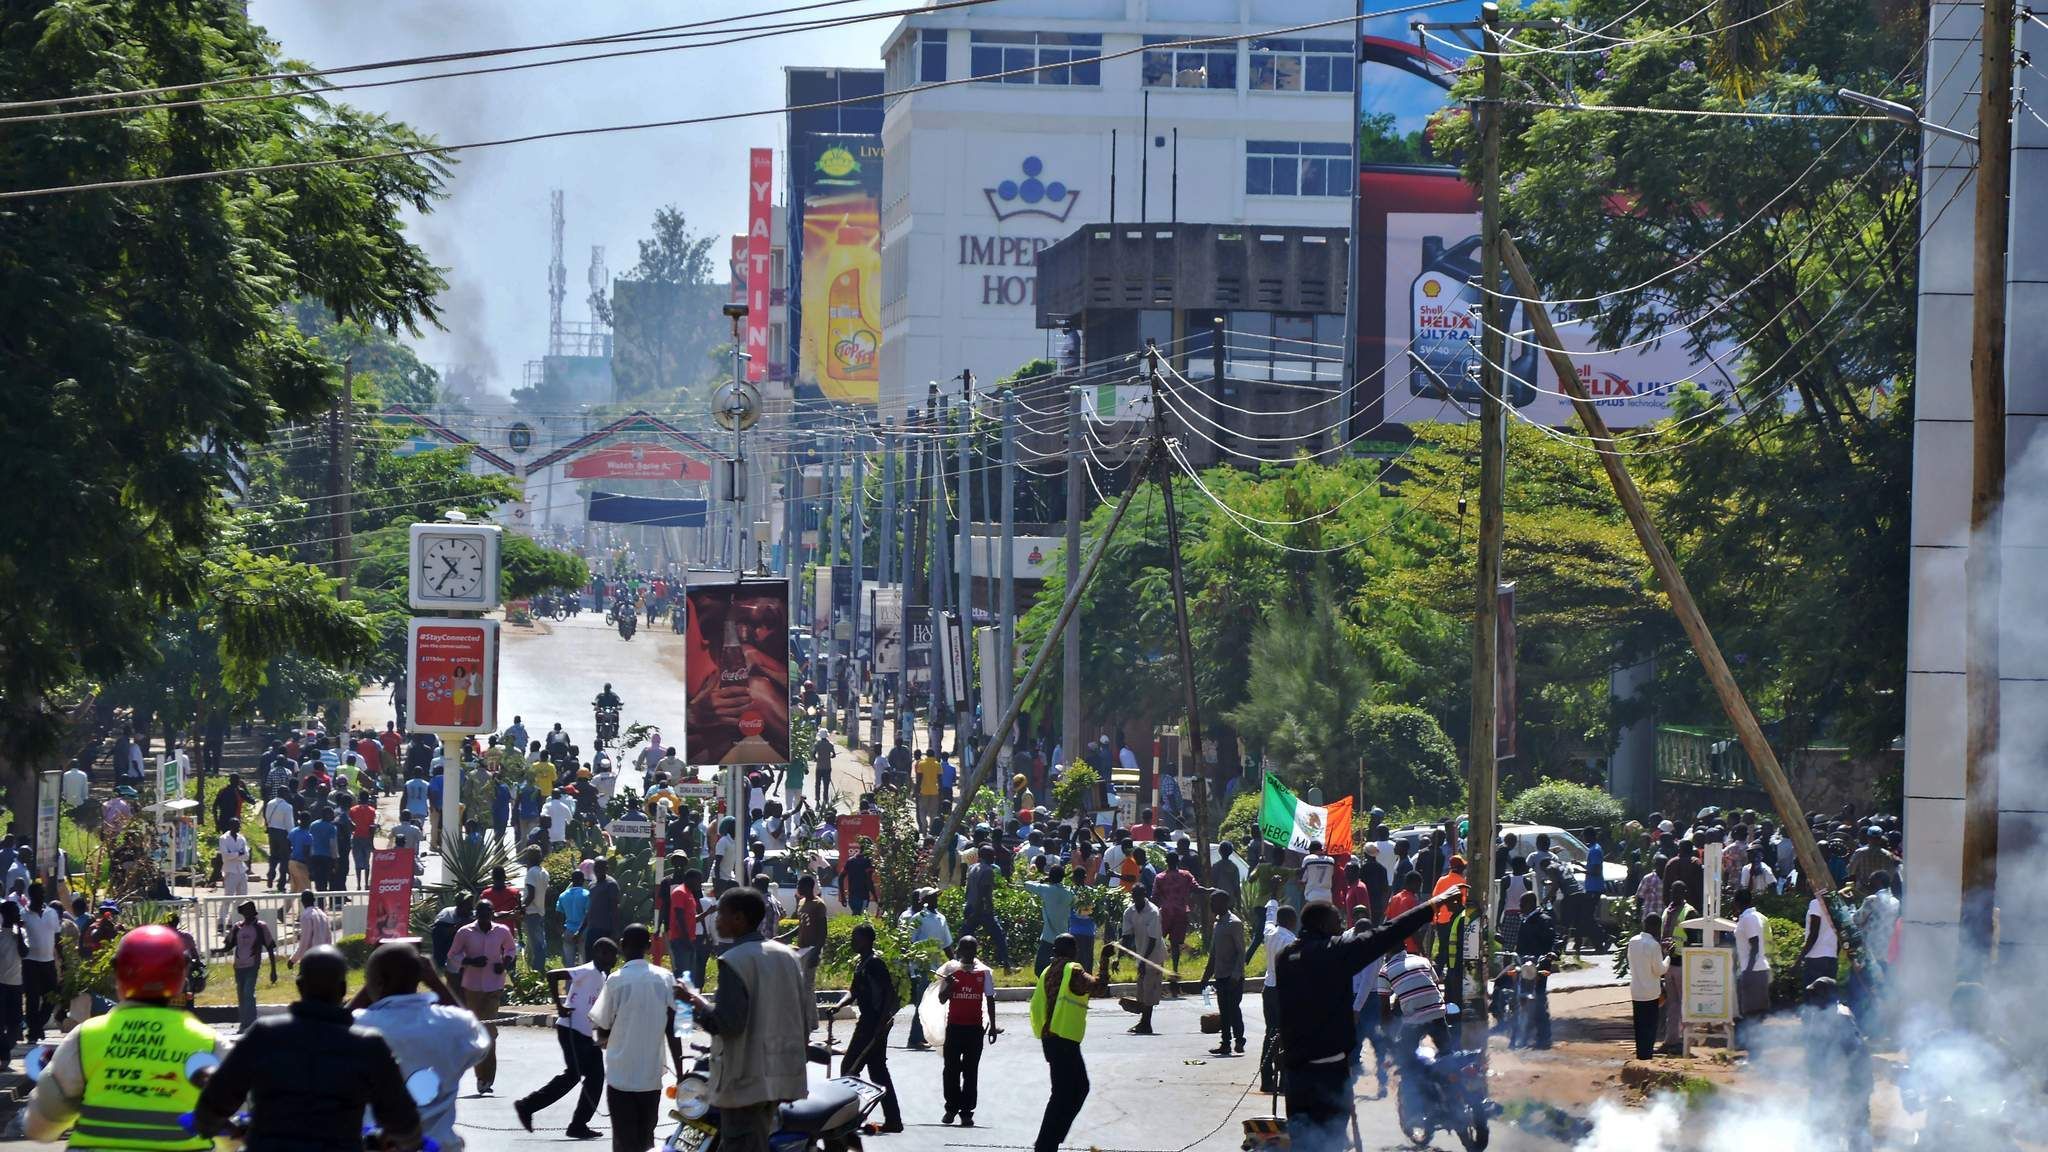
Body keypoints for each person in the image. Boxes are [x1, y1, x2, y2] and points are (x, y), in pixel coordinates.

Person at [192, 945, 423, 1151]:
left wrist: (213, 1123)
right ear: (343, 989)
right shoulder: (368, 1045)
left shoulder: (264, 1034)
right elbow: (404, 1124)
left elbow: (213, 1106)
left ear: (299, 986)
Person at [22, 925, 226, 1147]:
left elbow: (40, 1127)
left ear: (117, 972)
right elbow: (236, 1133)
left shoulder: (86, 1038)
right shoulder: (209, 1043)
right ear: (181, 973)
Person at [1281, 895, 1443, 1148]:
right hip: (1329, 1072)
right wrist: (1430, 908)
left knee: (1302, 1140)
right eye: (1337, 922)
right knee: (1331, 1141)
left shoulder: (1284, 957)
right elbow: (1386, 934)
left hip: (1294, 1073)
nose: (1341, 928)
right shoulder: (1332, 954)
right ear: (1324, 926)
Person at [676, 889, 815, 1152]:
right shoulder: (786, 955)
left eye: (721, 915)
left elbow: (726, 1024)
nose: (716, 921)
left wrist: (691, 1003)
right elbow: (801, 1014)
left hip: (744, 1080)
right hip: (779, 1073)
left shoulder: (733, 960)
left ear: (738, 919)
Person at [351, 943, 493, 1152]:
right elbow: (478, 1037)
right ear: (420, 977)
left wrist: (370, 986)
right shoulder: (453, 1023)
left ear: (377, 982)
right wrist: (436, 982)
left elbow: (331, 1033)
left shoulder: (360, 1025)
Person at [515, 936, 617, 1141]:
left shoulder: (602, 976)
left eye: (615, 955)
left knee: (595, 1077)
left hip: (587, 1034)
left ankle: (578, 1124)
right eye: (610, 954)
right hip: (571, 1031)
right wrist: (559, 1007)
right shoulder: (587, 970)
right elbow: (553, 975)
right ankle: (527, 1106)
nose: (613, 959)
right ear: (599, 953)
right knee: (573, 1075)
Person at [589, 926, 680, 1152]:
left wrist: (606, 1039)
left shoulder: (615, 981)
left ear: (621, 945)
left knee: (623, 1138)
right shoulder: (665, 978)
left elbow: (601, 1028)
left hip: (620, 1075)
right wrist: (680, 1071)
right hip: (650, 1077)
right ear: (649, 947)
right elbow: (673, 1030)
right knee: (646, 1138)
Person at [832, 921, 905, 1132]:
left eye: (856, 937)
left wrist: (881, 1024)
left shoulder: (875, 963)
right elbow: (853, 992)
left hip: (873, 1023)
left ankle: (847, 1119)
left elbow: (888, 994)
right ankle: (894, 1120)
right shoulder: (862, 963)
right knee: (878, 1072)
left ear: (867, 940)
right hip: (868, 1021)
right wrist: (837, 1006)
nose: (853, 941)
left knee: (849, 1069)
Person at [1029, 933, 1098, 1152]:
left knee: (1065, 1091)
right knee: (1073, 1090)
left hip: (1049, 1039)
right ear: (1073, 951)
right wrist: (1104, 960)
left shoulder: (1047, 972)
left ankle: (1049, 1141)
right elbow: (1097, 987)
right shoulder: (1073, 969)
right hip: (1064, 1039)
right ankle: (1047, 1142)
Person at [445, 901, 517, 1095]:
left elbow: (511, 949)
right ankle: (480, 1076)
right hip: (473, 987)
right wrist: (470, 961)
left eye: (489, 913)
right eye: (482, 913)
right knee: (479, 1031)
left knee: (490, 1031)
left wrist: (504, 963)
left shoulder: (501, 930)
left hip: (494, 985)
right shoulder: (465, 932)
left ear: (493, 913)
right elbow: (452, 955)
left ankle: (488, 1078)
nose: (486, 917)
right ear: (477, 914)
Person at [936, 935, 1000, 1127]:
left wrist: (993, 1027)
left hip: (974, 1029)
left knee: (971, 1072)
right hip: (955, 1028)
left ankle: (967, 1112)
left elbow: (989, 1000)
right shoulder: (951, 972)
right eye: (965, 949)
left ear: (975, 951)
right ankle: (951, 1108)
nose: (968, 953)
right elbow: (941, 998)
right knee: (951, 1070)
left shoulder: (984, 973)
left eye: (972, 950)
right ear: (959, 951)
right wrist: (951, 986)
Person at [1194, 890, 1248, 1058]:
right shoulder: (1217, 924)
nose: (1211, 906)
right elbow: (1214, 954)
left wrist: (1236, 975)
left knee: (1233, 1009)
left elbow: (1241, 952)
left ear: (1224, 903)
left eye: (1214, 902)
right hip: (1221, 974)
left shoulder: (1234, 923)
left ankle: (1239, 1040)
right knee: (1224, 1011)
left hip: (1233, 976)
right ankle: (1225, 1043)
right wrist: (1205, 977)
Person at [217, 899, 279, 1033]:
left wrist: (273, 970)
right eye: (244, 910)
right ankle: (244, 1023)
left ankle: (250, 1024)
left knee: (248, 993)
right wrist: (218, 951)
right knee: (241, 995)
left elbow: (270, 947)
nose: (247, 912)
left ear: (253, 911)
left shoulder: (261, 927)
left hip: (252, 965)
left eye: (249, 909)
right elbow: (228, 945)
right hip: (238, 966)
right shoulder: (237, 927)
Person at [1119, 884, 1165, 1034]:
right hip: (1141, 954)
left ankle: (1146, 1023)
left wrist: (1144, 962)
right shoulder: (1129, 912)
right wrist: (1118, 957)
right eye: (1134, 895)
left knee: (1149, 989)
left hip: (1154, 955)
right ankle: (1143, 1022)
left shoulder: (1153, 912)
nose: (1135, 898)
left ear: (1144, 895)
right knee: (1142, 989)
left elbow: (1153, 940)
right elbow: (1126, 936)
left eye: (1138, 895)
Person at [959, 844, 1013, 970]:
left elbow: (968, 889)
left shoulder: (972, 868)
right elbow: (984, 893)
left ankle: (959, 962)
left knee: (965, 935)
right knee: (999, 935)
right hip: (982, 910)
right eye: (992, 855)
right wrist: (988, 908)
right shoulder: (988, 870)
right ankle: (1006, 963)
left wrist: (968, 906)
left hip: (971, 906)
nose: (994, 857)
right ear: (988, 857)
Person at [1626, 913, 1668, 1060]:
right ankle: (1647, 1055)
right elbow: (1659, 970)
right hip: (1651, 992)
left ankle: (1640, 1054)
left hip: (1636, 990)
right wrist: (1668, 956)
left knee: (1639, 1025)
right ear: (1656, 927)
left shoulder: (1632, 941)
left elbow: (1631, 964)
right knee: (1650, 1026)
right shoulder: (1654, 945)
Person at [1022, 863, 1078, 973]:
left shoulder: (1045, 889)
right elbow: (1074, 902)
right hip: (1063, 937)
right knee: (1060, 969)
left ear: (1050, 877)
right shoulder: (1069, 892)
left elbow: (1026, 884)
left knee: (1040, 969)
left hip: (1048, 936)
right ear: (1062, 878)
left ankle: (1046, 987)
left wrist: (1042, 881)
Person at [1732, 889, 1772, 1034]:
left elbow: (1754, 944)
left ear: (1737, 903)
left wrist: (1748, 971)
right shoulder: (1749, 917)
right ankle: (1755, 1049)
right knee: (1753, 1014)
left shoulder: (1749, 919)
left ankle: (1755, 1050)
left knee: (1752, 1014)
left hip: (1754, 971)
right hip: (1756, 970)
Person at [1797, 881, 1839, 988]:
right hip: (1831, 958)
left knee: (1813, 998)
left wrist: (1800, 958)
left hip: (1816, 958)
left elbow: (1814, 933)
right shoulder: (1835, 904)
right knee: (1829, 999)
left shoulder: (1816, 903)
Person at [584, 858, 622, 948]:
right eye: (596, 867)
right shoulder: (592, 884)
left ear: (606, 869)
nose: (598, 870)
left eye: (601, 868)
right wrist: (581, 929)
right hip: (592, 927)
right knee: (589, 958)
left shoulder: (611, 884)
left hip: (605, 928)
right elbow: (590, 908)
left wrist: (616, 931)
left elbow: (614, 908)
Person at [290, 889, 334, 967]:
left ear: (302, 901)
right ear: (314, 900)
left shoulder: (306, 916)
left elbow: (305, 941)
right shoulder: (323, 914)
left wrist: (293, 959)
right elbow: (329, 937)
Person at [840, 837, 875, 915]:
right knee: (860, 920)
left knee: (856, 917)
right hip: (863, 897)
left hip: (852, 898)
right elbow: (869, 881)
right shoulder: (867, 862)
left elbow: (840, 878)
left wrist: (843, 896)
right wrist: (875, 897)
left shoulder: (850, 860)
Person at [218, 819, 252, 898]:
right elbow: (226, 855)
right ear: (231, 826)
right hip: (230, 870)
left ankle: (236, 910)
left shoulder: (242, 838)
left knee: (243, 896)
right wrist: (239, 853)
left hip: (241, 870)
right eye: (236, 825)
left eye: (239, 825)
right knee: (228, 896)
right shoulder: (223, 838)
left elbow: (246, 856)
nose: (238, 827)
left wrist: (233, 854)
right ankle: (224, 911)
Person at [1299, 842, 1336, 906]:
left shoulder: (1308, 859)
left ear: (1311, 850)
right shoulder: (1331, 860)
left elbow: (1303, 879)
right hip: (1327, 895)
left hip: (1312, 895)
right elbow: (1331, 875)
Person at [812, 730, 836, 808]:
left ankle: (817, 801)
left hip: (819, 767)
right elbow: (833, 755)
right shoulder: (830, 745)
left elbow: (813, 755)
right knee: (826, 785)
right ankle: (825, 801)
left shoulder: (817, 744)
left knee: (817, 784)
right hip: (827, 767)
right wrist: (829, 756)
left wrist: (816, 759)